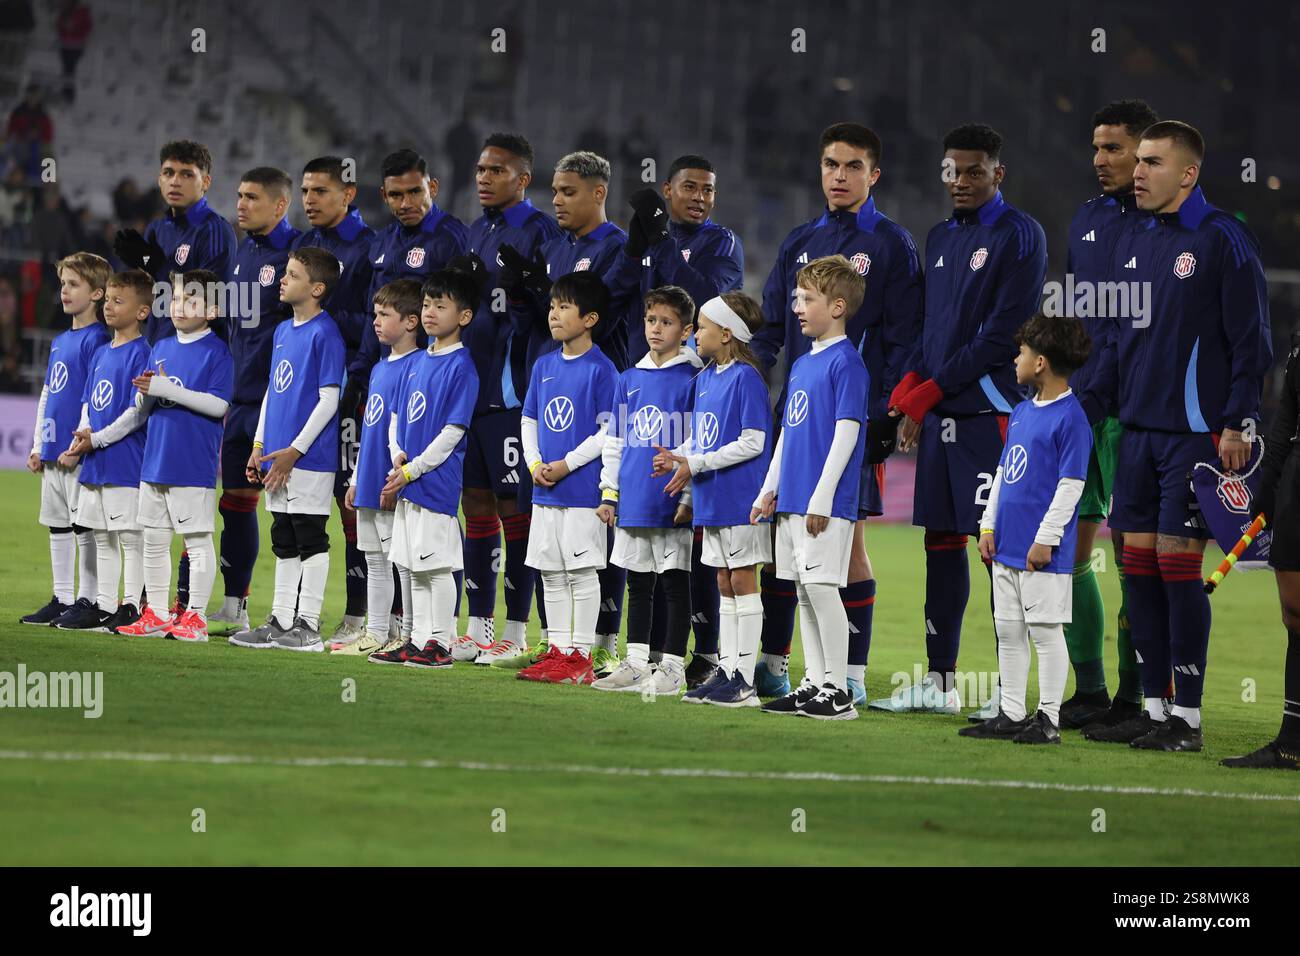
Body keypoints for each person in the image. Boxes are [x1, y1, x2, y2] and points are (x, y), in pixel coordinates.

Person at [1084, 121, 1271, 752]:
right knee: (1135, 570)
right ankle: (1155, 708)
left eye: (1153, 162)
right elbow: (1114, 341)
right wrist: (1083, 407)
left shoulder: (1223, 239)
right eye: (1137, 161)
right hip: (1135, 430)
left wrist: (1238, 422)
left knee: (1174, 568)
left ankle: (1187, 720)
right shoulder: (1133, 238)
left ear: (1187, 173)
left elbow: (1252, 343)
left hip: (1195, 435)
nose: (1137, 172)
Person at [872, 123, 1046, 718]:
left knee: (997, 548)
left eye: (975, 171)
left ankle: (1009, 693)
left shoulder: (1021, 235)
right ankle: (942, 685)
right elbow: (933, 329)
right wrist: (911, 388)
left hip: (989, 414)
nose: (962, 181)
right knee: (940, 544)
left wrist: (932, 391)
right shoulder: (941, 235)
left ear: (998, 173)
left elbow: (1003, 336)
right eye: (953, 171)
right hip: (945, 415)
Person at [752, 123, 923, 704]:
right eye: (830, 164)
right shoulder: (801, 240)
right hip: (798, 414)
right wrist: (747, 386)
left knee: (844, 548)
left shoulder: (893, 245)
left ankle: (845, 677)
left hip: (854, 420)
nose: (839, 176)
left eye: (852, 166)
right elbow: (771, 328)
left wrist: (885, 413)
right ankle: (791, 669)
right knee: (792, 553)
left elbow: (904, 341)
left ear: (874, 175)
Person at [495, 150, 629, 674]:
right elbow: (538, 323)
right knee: (550, 556)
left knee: (589, 555)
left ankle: (597, 646)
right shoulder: (554, 246)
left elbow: (612, 312)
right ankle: (558, 645)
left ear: (598, 192)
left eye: (569, 191)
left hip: (589, 409)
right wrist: (529, 290)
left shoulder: (615, 247)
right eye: (554, 191)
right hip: (548, 396)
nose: (557, 200)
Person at [1060, 99, 1161, 730]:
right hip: (1084, 408)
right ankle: (1090, 690)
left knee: (1134, 558)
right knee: (1068, 550)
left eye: (1114, 149)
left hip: (1139, 414)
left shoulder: (1166, 227)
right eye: (1096, 148)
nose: (1101, 160)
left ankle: (1135, 697)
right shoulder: (1086, 221)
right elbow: (1075, 318)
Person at [456, 133, 562, 665]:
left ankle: (518, 631)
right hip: (470, 389)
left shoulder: (540, 229)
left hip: (510, 391)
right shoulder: (476, 230)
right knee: (474, 503)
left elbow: (549, 306)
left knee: (513, 509)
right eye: (479, 169)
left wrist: (527, 289)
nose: (483, 177)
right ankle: (477, 626)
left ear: (522, 178)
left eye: (496, 170)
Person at [964, 314, 1093, 744]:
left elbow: (1070, 486)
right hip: (1006, 545)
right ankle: (1011, 713)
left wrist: (1046, 539)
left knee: (1045, 633)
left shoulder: (1072, 418)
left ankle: (1049, 720)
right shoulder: (1020, 411)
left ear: (1040, 362)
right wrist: (987, 524)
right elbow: (1004, 473)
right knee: (1009, 631)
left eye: (1021, 352)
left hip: (1040, 551)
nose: (1015, 359)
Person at [752, 255, 869, 720]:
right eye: (796, 297)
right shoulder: (802, 364)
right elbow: (787, 435)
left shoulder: (847, 363)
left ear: (837, 306)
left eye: (808, 299)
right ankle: (814, 683)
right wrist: (769, 488)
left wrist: (822, 497)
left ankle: (838, 692)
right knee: (803, 590)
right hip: (793, 499)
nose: (797, 307)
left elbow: (847, 433)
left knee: (823, 590)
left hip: (825, 502)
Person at [657, 292, 772, 707]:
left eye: (702, 328)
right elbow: (702, 437)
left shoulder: (746, 378)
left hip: (741, 498)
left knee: (742, 579)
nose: (695, 335)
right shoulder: (705, 379)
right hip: (713, 498)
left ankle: (744, 679)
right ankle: (728, 669)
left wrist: (697, 462)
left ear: (726, 334)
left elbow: (754, 442)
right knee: (724, 581)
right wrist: (680, 457)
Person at [228, 247, 345, 652]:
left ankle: (308, 626)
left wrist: (294, 450)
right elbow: (272, 395)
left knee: (310, 536)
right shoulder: (282, 331)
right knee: (284, 536)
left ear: (316, 288)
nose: (282, 279)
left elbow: (329, 399)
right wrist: (259, 445)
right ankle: (279, 620)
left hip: (308, 459)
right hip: (276, 455)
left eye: (292, 275)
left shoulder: (325, 333)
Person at [113, 270, 234, 641]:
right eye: (178, 299)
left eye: (192, 301)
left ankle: (195, 617)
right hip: (155, 461)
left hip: (192, 464)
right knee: (154, 540)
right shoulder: (161, 346)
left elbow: (218, 406)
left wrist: (167, 388)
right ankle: (157, 614)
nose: (182, 307)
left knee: (197, 542)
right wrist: (146, 393)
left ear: (212, 310)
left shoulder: (217, 351)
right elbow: (146, 406)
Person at [369, 268, 480, 668]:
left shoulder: (462, 367)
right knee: (412, 564)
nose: (430, 312)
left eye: (441, 305)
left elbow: (453, 432)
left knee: (436, 566)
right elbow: (396, 416)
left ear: (464, 316)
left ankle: (441, 643)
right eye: (428, 304)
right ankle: (416, 640)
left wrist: (413, 469)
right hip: (409, 479)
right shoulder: (418, 361)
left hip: (435, 482)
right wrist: (397, 455)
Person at [593, 284, 702, 695]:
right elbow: (616, 440)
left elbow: (697, 443)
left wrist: (689, 496)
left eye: (667, 322)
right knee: (638, 583)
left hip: (670, 498)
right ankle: (637, 662)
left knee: (674, 583)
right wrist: (609, 492)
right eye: (651, 320)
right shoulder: (629, 378)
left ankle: (672, 667)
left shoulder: (693, 378)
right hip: (635, 497)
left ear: (687, 329)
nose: (656, 329)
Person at [209, 167, 300, 636]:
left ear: (279, 205)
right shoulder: (243, 251)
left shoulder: (295, 254)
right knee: (236, 503)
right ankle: (234, 604)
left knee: (290, 513)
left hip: (276, 403)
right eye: (239, 195)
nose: (240, 204)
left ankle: (295, 617)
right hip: (240, 399)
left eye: (251, 197)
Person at [293, 155, 379, 646]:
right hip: (304, 389)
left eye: (320, 191)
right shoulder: (304, 246)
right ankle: (298, 612)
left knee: (351, 504)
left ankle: (358, 612)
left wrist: (328, 320)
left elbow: (375, 318)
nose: (310, 200)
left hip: (347, 390)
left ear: (348, 194)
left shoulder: (368, 247)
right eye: (305, 191)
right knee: (303, 505)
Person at [518, 271, 618, 685]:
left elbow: (609, 432)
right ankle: (558, 651)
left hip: (581, 492)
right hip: (545, 490)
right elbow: (528, 419)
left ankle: (580, 655)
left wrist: (566, 465)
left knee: (580, 572)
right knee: (551, 572)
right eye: (552, 306)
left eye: (564, 307)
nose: (554, 314)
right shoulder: (543, 365)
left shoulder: (603, 370)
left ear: (590, 318)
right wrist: (535, 463)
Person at [56, 270, 153, 632]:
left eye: (118, 300)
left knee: (129, 536)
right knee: (100, 534)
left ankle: (131, 605)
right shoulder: (99, 352)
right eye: (108, 299)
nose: (109, 306)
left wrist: (96, 439)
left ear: (142, 311)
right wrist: (81, 440)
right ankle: (103, 605)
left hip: (125, 461)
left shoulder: (143, 353)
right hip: (95, 460)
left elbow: (137, 413)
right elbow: (88, 405)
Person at [1222, 329, 1300, 769]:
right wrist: (1268, 486)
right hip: (1296, 477)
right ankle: (1291, 741)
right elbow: (1286, 420)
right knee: (1294, 615)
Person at [21, 252, 109, 627]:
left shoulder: (98, 338)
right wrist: (38, 445)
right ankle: (63, 596)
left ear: (97, 293)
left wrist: (81, 441)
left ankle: (89, 598)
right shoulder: (60, 340)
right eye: (63, 284)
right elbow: (48, 393)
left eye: (74, 284)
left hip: (77, 451)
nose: (65, 292)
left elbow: (92, 394)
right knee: (58, 523)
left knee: (83, 525)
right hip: (54, 449)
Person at [334, 280, 422, 657]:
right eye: (375, 314)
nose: (376, 322)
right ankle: (377, 632)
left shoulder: (417, 366)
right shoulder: (381, 366)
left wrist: (397, 479)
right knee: (373, 558)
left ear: (410, 322)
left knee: (399, 560)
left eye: (385, 315)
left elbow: (408, 432)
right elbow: (371, 430)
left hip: (393, 481)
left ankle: (408, 633)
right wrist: (356, 478)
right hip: (369, 477)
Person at [114, 140, 236, 341]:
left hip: (195, 353)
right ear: (160, 179)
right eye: (169, 173)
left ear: (205, 182)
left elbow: (213, 304)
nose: (175, 181)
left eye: (187, 174)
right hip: (157, 347)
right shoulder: (156, 229)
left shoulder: (215, 230)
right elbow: (152, 303)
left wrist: (156, 265)